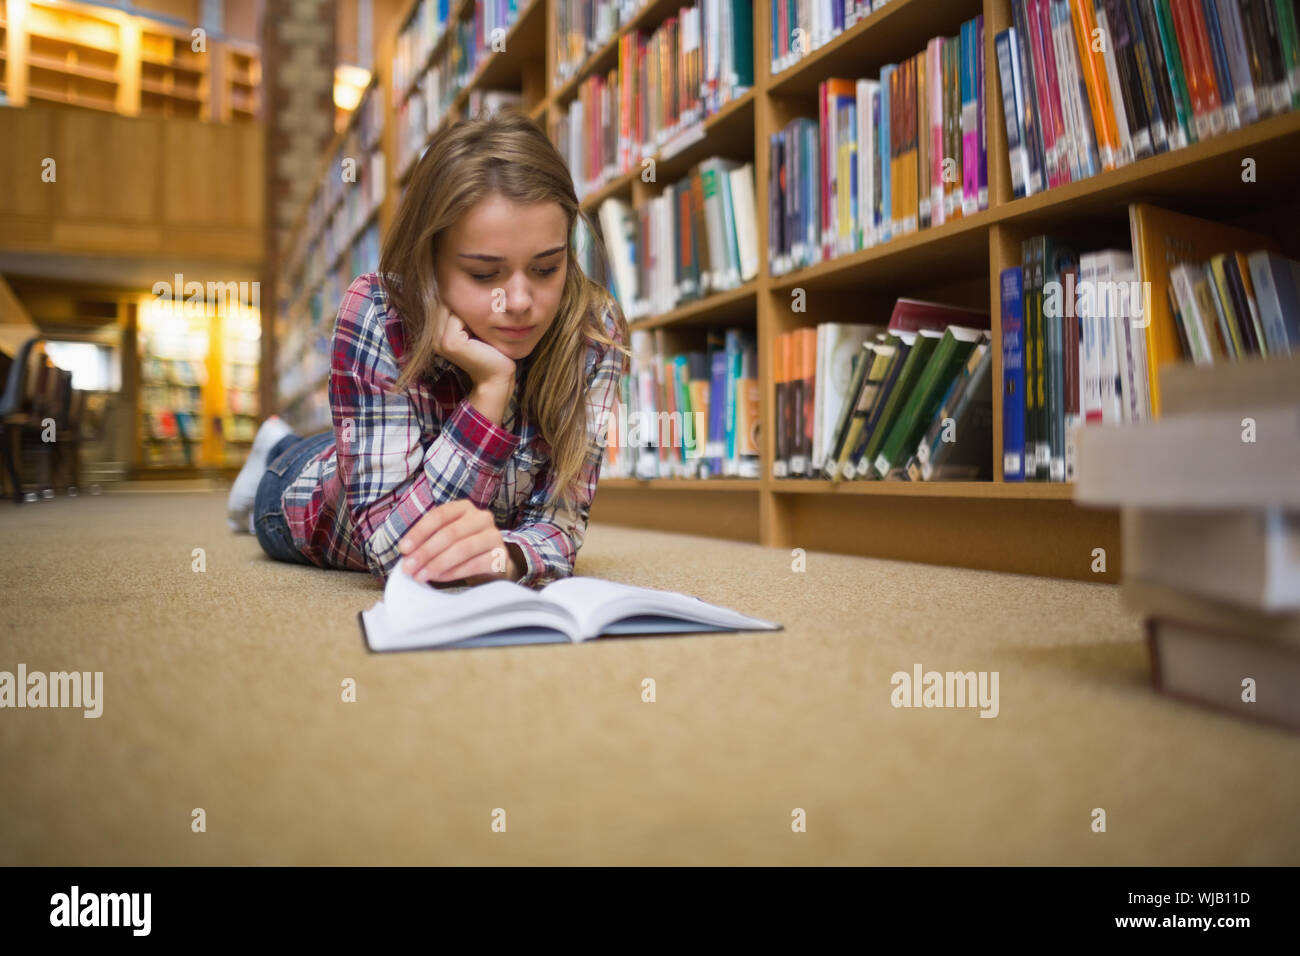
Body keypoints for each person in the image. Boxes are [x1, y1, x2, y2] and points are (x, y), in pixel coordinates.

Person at [227, 110, 630, 588]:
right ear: (429, 261)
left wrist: (508, 556)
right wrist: (491, 389)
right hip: (308, 503)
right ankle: (275, 450)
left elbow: (562, 527)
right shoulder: (375, 311)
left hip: (372, 446)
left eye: (546, 268)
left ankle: (289, 441)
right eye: (485, 274)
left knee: (354, 448)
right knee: (277, 485)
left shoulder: (593, 328)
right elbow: (396, 555)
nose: (520, 303)